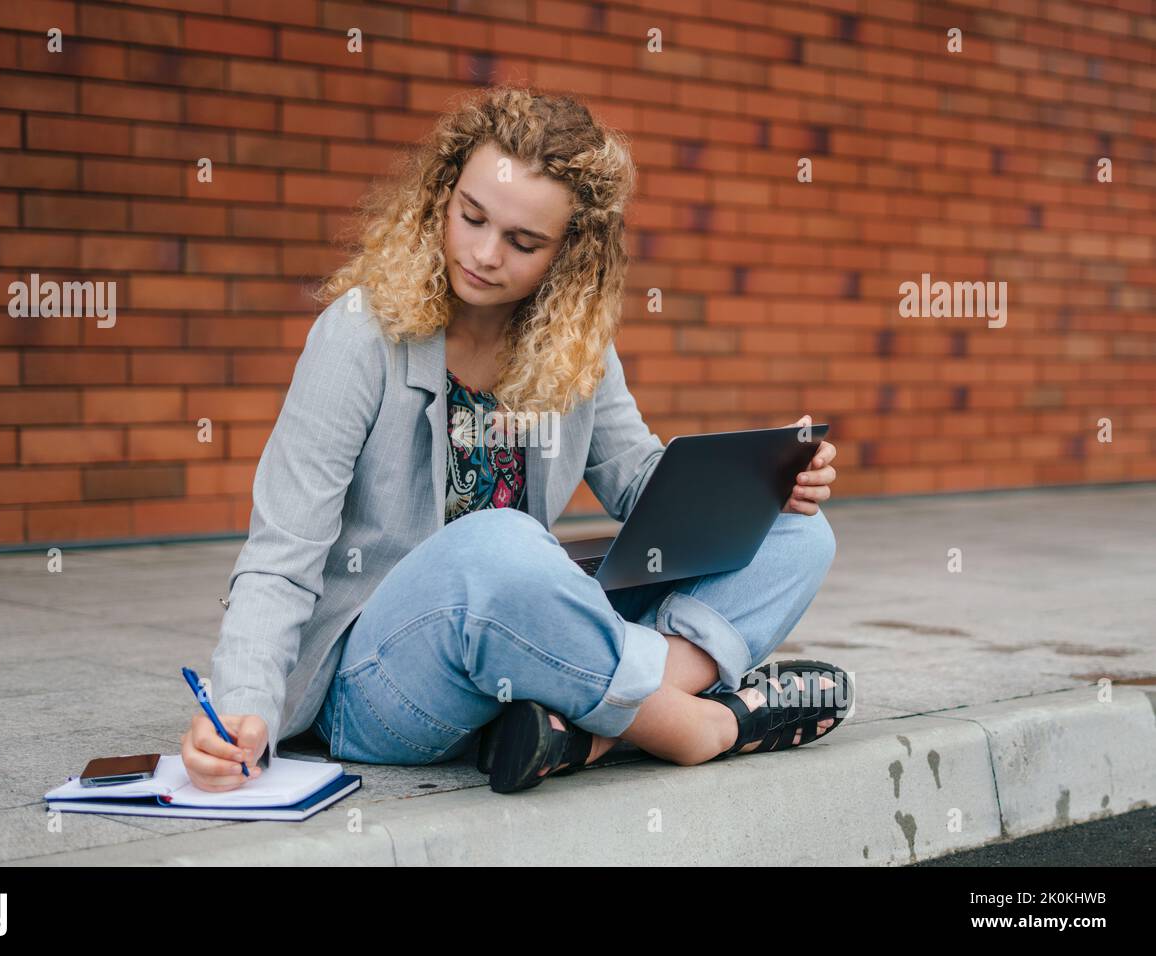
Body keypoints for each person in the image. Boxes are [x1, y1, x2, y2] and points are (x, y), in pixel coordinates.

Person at [181, 85, 850, 795]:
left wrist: (760, 482)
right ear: (442, 194)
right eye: (471, 217)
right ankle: (695, 723)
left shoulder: (570, 343)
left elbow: (640, 486)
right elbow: (280, 555)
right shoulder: (357, 336)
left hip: (524, 641)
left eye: (523, 242)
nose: (484, 254)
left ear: (569, 255)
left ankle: (587, 731)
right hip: (378, 680)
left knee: (797, 534)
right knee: (501, 545)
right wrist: (241, 709)